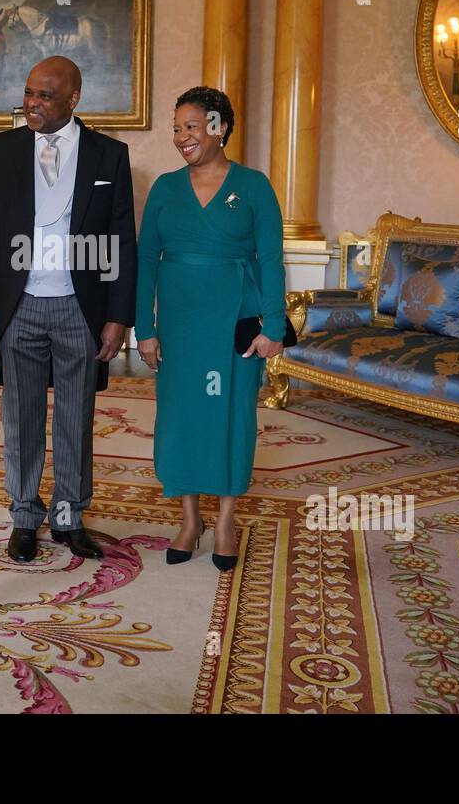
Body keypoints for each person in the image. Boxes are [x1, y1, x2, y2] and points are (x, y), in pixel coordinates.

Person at [0, 55, 137, 563]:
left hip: (80, 311)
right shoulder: (4, 149)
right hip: (18, 308)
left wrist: (118, 315)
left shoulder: (110, 155)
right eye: (29, 93)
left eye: (44, 95)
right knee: (20, 419)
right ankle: (24, 516)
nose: (32, 104)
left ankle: (69, 516)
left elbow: (122, 241)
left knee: (76, 420)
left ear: (73, 99)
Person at [135, 87, 285, 571]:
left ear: (219, 128)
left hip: (235, 323)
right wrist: (145, 327)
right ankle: (188, 517)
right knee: (179, 419)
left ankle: (225, 519)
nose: (181, 137)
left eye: (192, 126)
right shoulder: (164, 188)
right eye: (177, 128)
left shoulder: (254, 185)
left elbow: (270, 258)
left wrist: (275, 324)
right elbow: (144, 262)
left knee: (230, 417)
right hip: (179, 327)